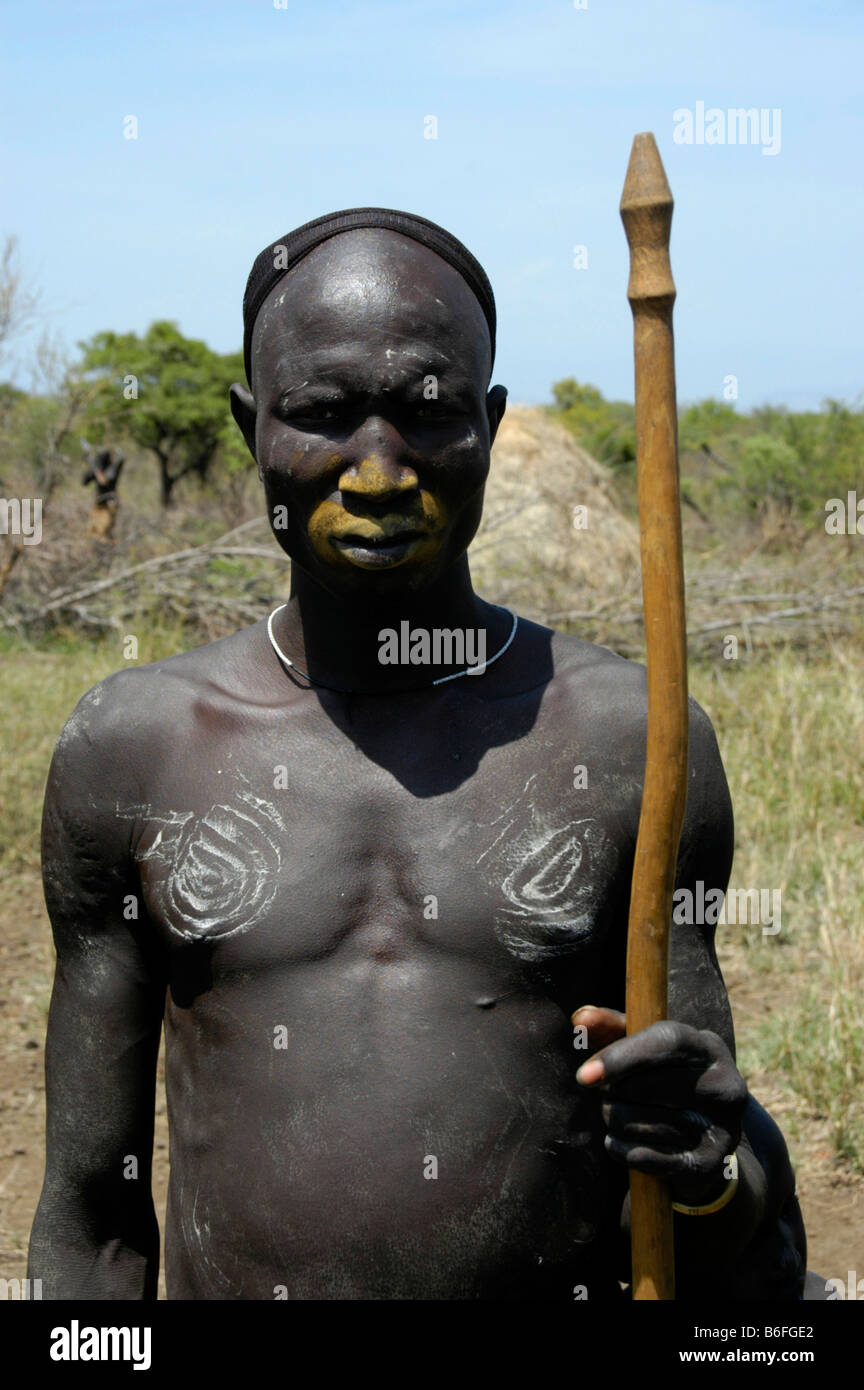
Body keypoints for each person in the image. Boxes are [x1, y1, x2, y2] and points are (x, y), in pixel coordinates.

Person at [30, 209, 806, 1299]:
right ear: (253, 426)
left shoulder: (632, 740)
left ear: (490, 424)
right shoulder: (134, 750)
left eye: (430, 413)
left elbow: (726, 1187)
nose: (380, 470)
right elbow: (92, 1214)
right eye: (324, 415)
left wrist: (722, 1169)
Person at [81, 440, 124, 539]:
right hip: (98, 504)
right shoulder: (96, 468)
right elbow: (84, 482)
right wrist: (88, 457)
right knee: (93, 530)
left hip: (109, 504)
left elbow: (103, 480)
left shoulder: (112, 470)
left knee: (104, 529)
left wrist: (93, 466)